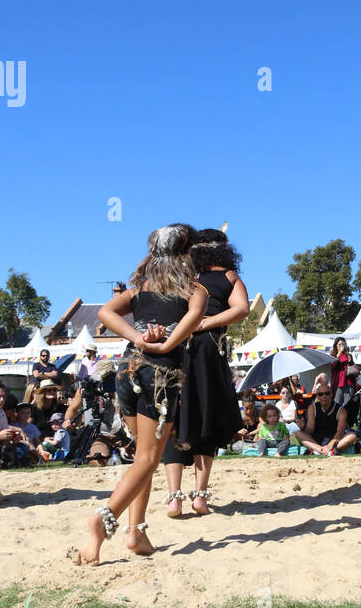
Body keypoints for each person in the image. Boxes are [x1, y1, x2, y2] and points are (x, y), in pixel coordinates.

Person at [79, 225, 207, 564]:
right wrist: (165, 343)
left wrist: (137, 339)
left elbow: (106, 313)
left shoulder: (140, 290)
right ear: (186, 255)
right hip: (160, 377)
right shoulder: (194, 291)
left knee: (141, 459)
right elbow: (193, 319)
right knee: (150, 458)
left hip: (127, 370)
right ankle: (102, 521)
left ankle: (137, 533)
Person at [163, 227, 248, 519]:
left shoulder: (183, 277)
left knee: (174, 417)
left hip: (176, 346)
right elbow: (241, 309)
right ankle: (200, 497)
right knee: (205, 419)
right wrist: (205, 323)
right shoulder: (229, 277)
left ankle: (174, 498)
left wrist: (194, 323)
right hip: (209, 351)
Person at [294, 377, 356, 455]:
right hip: (317, 440)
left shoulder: (341, 410)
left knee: (352, 436)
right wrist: (302, 427)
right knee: (297, 433)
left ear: (331, 394)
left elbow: (340, 432)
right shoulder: (312, 408)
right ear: (317, 396)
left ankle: (318, 451)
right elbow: (310, 430)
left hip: (335, 440)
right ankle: (324, 451)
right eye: (321, 394)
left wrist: (330, 445)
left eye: (327, 393)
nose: (324, 396)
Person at [329, 337, 358, 410]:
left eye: (343, 344)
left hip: (349, 382)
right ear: (335, 345)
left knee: (348, 405)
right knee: (337, 403)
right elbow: (332, 367)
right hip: (339, 383)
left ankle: (347, 420)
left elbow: (352, 367)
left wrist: (350, 360)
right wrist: (339, 353)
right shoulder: (333, 355)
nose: (341, 346)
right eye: (339, 344)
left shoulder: (348, 355)